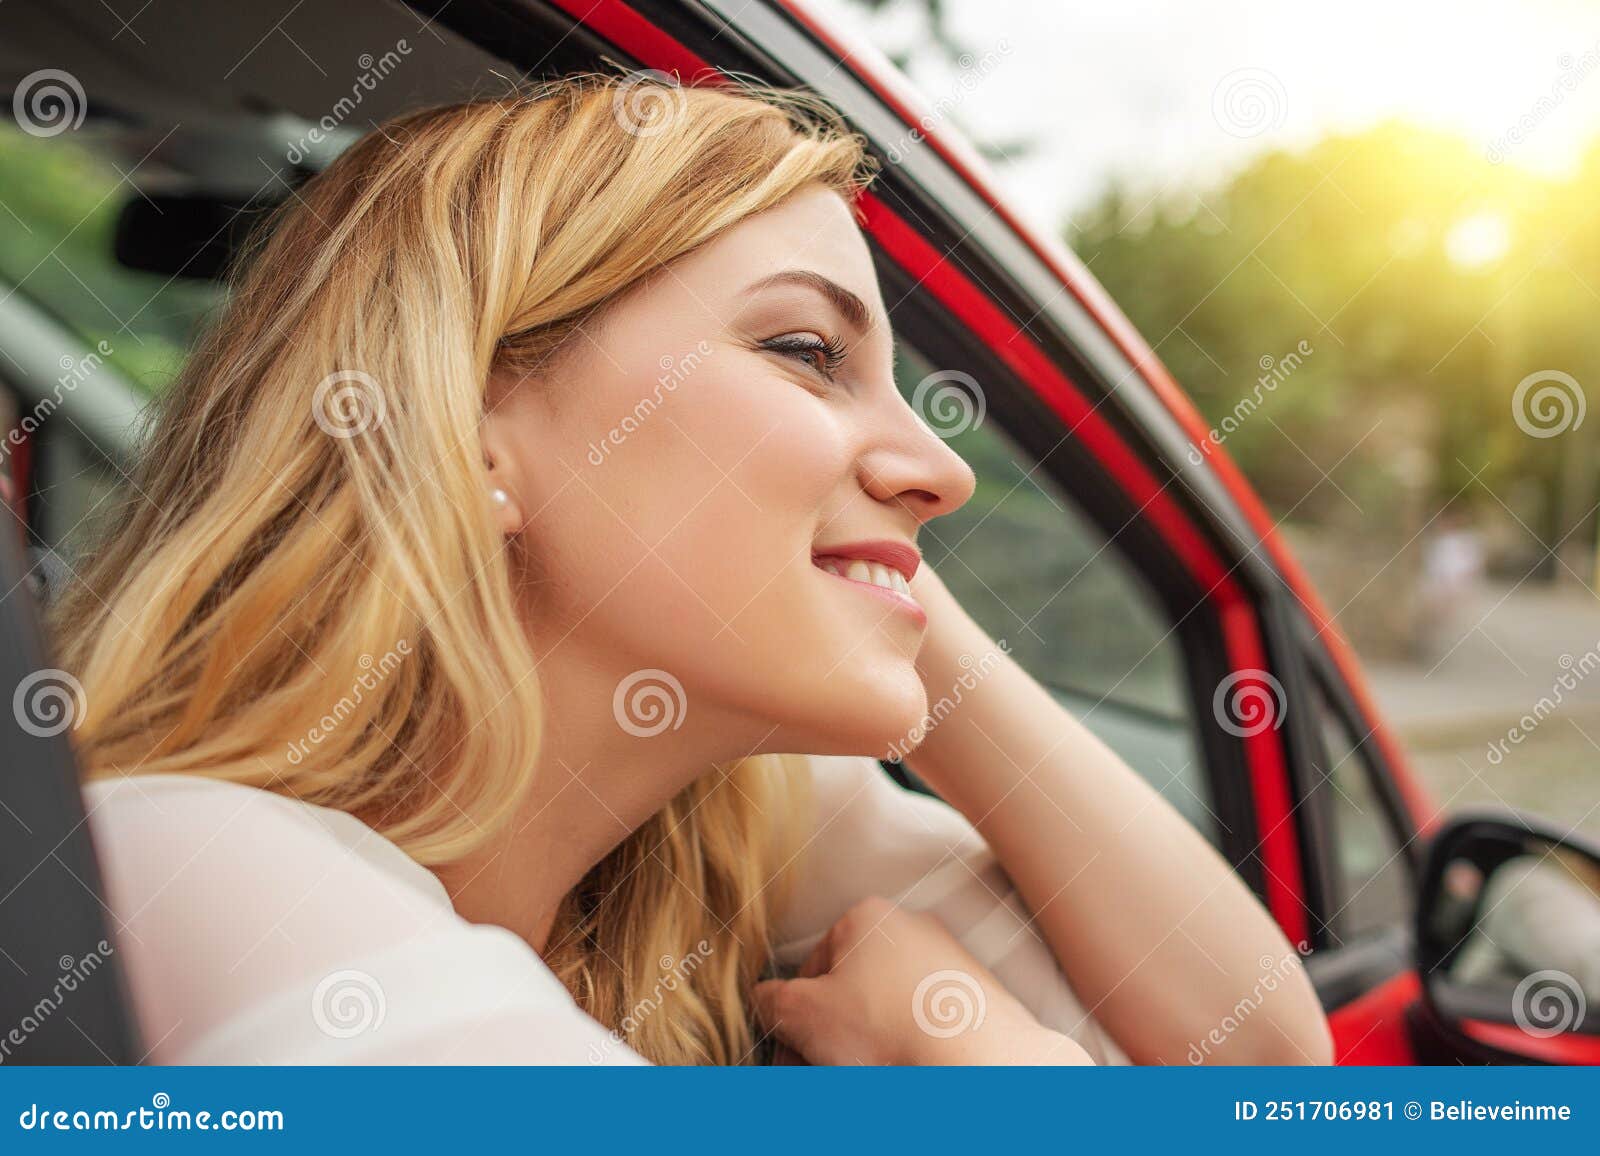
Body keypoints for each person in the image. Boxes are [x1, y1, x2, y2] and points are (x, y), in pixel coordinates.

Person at [50, 74, 1331, 1065]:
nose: (944, 472)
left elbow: (1255, 1056)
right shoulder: (195, 864)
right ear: (468, 420)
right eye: (802, 348)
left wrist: (869, 556)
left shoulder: (718, 835)